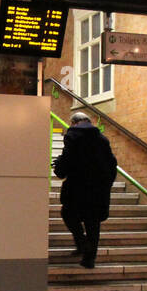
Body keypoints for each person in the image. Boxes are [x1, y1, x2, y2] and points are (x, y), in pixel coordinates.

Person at [52, 110, 118, 268]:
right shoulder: (103, 139)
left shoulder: (73, 136)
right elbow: (112, 164)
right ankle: (89, 259)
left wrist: (59, 167)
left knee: (68, 214)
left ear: (74, 123)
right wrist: (106, 184)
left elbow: (68, 160)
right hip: (98, 190)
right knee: (93, 223)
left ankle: (82, 243)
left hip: (77, 188)